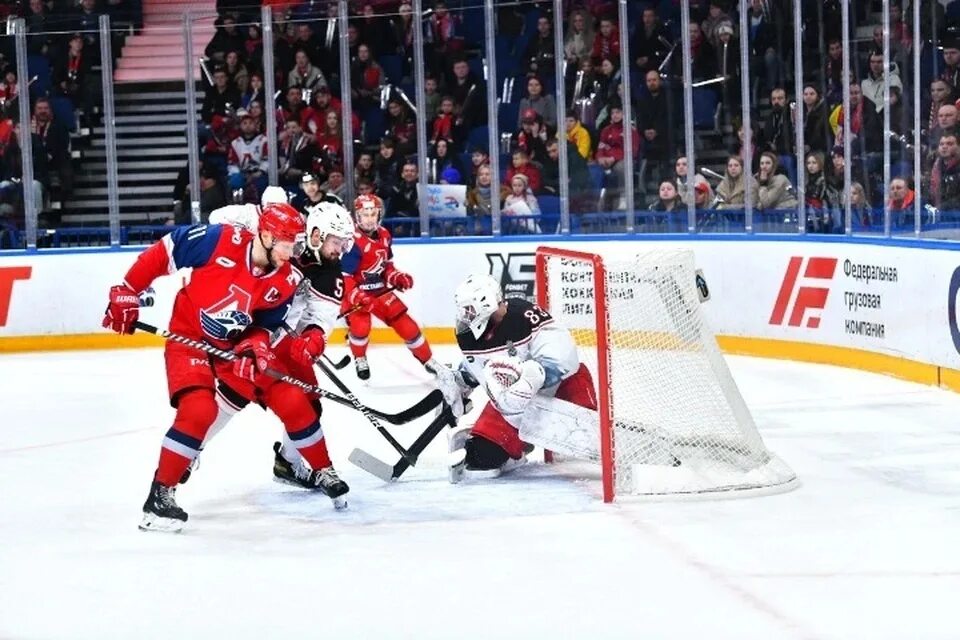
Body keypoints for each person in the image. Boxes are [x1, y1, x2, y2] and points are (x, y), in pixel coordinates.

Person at [101, 204, 346, 533]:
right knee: (199, 409)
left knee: (292, 398)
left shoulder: (287, 278)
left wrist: (254, 345)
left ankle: (322, 469)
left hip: (234, 344)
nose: (292, 253)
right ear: (268, 236)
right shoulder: (220, 240)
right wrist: (128, 289)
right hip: (190, 335)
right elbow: (167, 250)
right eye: (287, 245)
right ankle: (160, 495)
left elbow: (267, 323)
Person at [187, 202, 357, 497]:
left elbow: (321, 315)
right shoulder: (282, 232)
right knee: (234, 393)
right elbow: (219, 217)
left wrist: (314, 338)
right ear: (316, 234)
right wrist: (252, 221)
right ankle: (190, 448)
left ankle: (288, 463)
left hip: (275, 336)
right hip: (239, 324)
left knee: (306, 401)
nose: (340, 250)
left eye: (344, 244)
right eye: (336, 242)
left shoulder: (330, 272)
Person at [433, 274, 598, 479]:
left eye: (469, 309)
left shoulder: (524, 316)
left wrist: (531, 380)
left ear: (486, 303)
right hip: (511, 406)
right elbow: (477, 366)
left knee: (586, 440)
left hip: (560, 390)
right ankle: (515, 451)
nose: (465, 316)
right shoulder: (473, 335)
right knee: (482, 458)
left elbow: (564, 359)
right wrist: (459, 384)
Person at [341, 194, 443, 381]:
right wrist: (356, 296)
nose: (370, 218)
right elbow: (345, 277)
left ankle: (428, 360)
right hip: (357, 293)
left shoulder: (385, 235)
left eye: (373, 214)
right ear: (357, 216)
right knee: (361, 326)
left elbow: (386, 266)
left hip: (379, 290)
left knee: (407, 325)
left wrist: (397, 277)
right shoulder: (352, 241)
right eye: (365, 214)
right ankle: (360, 357)